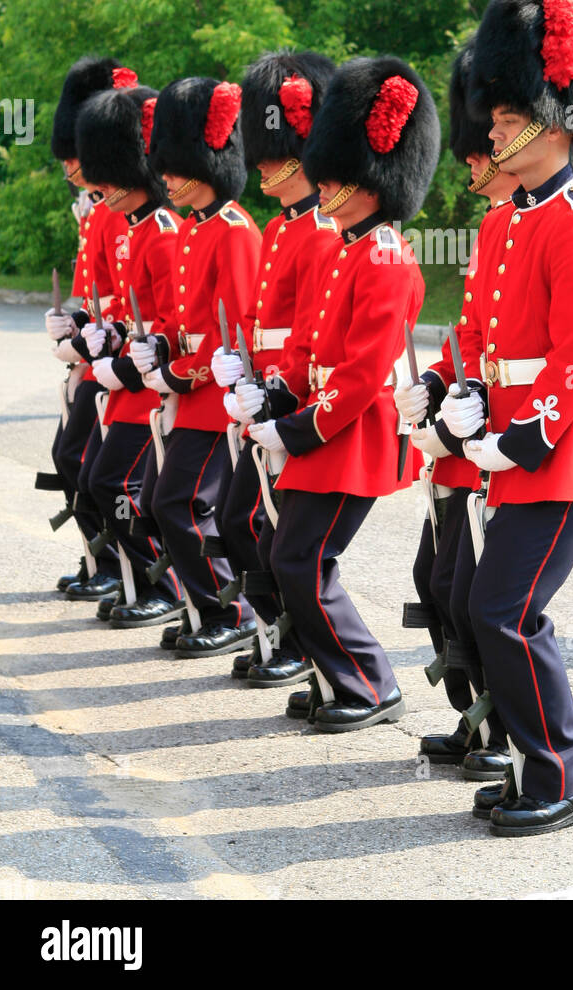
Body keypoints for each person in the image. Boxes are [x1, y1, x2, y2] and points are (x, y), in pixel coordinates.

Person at [438, 0, 573, 836]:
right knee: (490, 607)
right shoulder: (502, 222)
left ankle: (564, 776)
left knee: (505, 611)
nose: (494, 129)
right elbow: (483, 333)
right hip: (508, 446)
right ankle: (529, 764)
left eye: (510, 117)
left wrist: (522, 435)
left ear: (555, 119)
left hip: (560, 453)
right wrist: (466, 399)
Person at [242, 55, 440, 731]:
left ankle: (368, 682)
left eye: (336, 172)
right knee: (286, 554)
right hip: (320, 423)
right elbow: (306, 343)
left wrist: (297, 429)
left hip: (348, 433)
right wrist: (276, 394)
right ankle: (335, 677)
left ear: (373, 181)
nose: (321, 181)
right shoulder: (340, 246)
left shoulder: (386, 254)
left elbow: (359, 374)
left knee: (302, 557)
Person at [393, 40, 515, 781]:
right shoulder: (494, 229)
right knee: (433, 584)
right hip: (457, 443)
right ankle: (471, 722)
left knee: (473, 598)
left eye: (482, 149)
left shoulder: (530, 223)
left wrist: (467, 408)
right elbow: (469, 342)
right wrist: (436, 384)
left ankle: (499, 733)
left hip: (491, 452)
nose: (473, 160)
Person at [211, 50, 340, 684]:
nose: (259, 160)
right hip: (262, 394)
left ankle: (296, 641)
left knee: (266, 526)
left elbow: (313, 338)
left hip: (290, 402)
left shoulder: (322, 229)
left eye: (273, 148)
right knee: (242, 520)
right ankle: (282, 630)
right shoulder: (285, 226)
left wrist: (277, 396)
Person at [131, 77, 262, 656]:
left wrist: (183, 371)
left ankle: (230, 608)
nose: (166, 177)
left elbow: (231, 328)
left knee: (179, 503)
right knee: (166, 501)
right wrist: (156, 349)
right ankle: (203, 602)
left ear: (205, 164)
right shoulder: (192, 228)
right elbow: (176, 316)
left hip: (212, 394)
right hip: (188, 390)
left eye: (176, 167)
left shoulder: (233, 229)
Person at [72, 82, 185, 626]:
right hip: (127, 385)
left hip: (150, 390)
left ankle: (163, 583)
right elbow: (132, 312)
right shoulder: (137, 229)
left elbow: (172, 321)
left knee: (118, 485)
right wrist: (105, 335)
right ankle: (142, 578)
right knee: (99, 480)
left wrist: (127, 357)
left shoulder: (161, 231)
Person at [41, 56, 139, 599]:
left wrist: (102, 336)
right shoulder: (96, 209)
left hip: (126, 362)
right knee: (73, 458)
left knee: (93, 466)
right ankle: (103, 559)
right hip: (101, 355)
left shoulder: (118, 210)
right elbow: (98, 293)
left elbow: (136, 302)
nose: (72, 168)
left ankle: (122, 565)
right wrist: (76, 324)